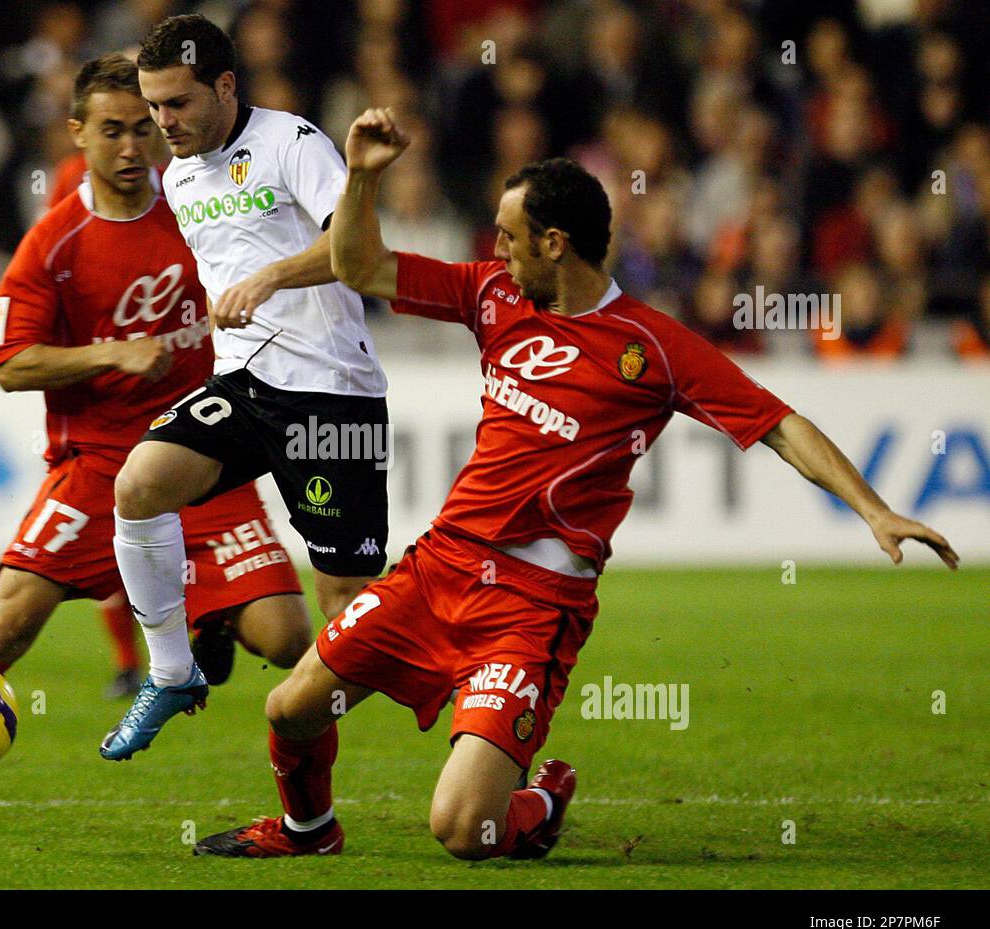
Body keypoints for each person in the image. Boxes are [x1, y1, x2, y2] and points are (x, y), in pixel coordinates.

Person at [193, 108, 960, 861]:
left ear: (554, 244)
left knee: (465, 831)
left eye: (507, 234)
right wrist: (359, 179)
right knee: (291, 709)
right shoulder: (493, 294)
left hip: (531, 610)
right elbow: (361, 266)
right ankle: (310, 833)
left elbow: (778, 422)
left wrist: (875, 508)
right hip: (439, 570)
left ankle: (541, 799)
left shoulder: (651, 349)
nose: (493, 247)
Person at [0, 55, 312, 838]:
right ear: (78, 134)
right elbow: (7, 363)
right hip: (97, 470)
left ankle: (202, 627)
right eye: (113, 130)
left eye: (145, 128)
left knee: (287, 639)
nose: (134, 146)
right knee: (3, 628)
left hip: (203, 456)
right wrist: (109, 353)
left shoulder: (199, 206)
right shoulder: (55, 241)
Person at [100, 16, 391, 762]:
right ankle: (170, 671)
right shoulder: (180, 173)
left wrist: (271, 277)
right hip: (246, 388)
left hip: (331, 398)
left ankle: (470, 684)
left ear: (226, 86)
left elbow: (358, 250)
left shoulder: (290, 143)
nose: (164, 123)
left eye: (178, 104)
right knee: (139, 486)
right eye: (153, 106)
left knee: (348, 618)